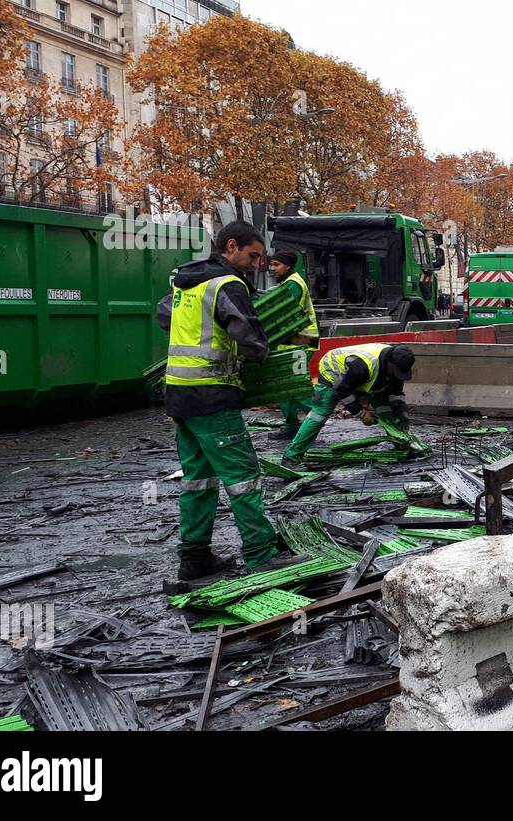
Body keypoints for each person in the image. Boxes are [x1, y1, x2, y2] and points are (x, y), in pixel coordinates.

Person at [157, 221, 282, 581]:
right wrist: (260, 355)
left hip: (178, 394)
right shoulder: (227, 284)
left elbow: (164, 317)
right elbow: (251, 338)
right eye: (252, 255)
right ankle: (261, 554)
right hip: (212, 394)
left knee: (199, 480)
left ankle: (194, 560)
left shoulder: (184, 282)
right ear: (231, 246)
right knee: (243, 478)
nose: (256, 264)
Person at [282, 342, 415, 465]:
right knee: (320, 414)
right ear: (390, 364)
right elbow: (342, 390)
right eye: (398, 372)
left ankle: (401, 443)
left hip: (360, 377)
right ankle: (292, 455)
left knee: (387, 410)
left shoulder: (397, 363)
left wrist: (402, 413)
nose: (399, 375)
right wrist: (361, 413)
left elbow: (396, 393)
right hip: (333, 371)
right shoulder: (361, 367)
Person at [266, 250, 319, 441]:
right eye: (271, 265)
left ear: (288, 265)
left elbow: (279, 309)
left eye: (276, 265)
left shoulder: (294, 284)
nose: (272, 269)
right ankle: (291, 425)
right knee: (285, 388)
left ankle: (317, 418)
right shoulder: (289, 283)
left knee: (295, 389)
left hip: (300, 343)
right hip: (292, 344)